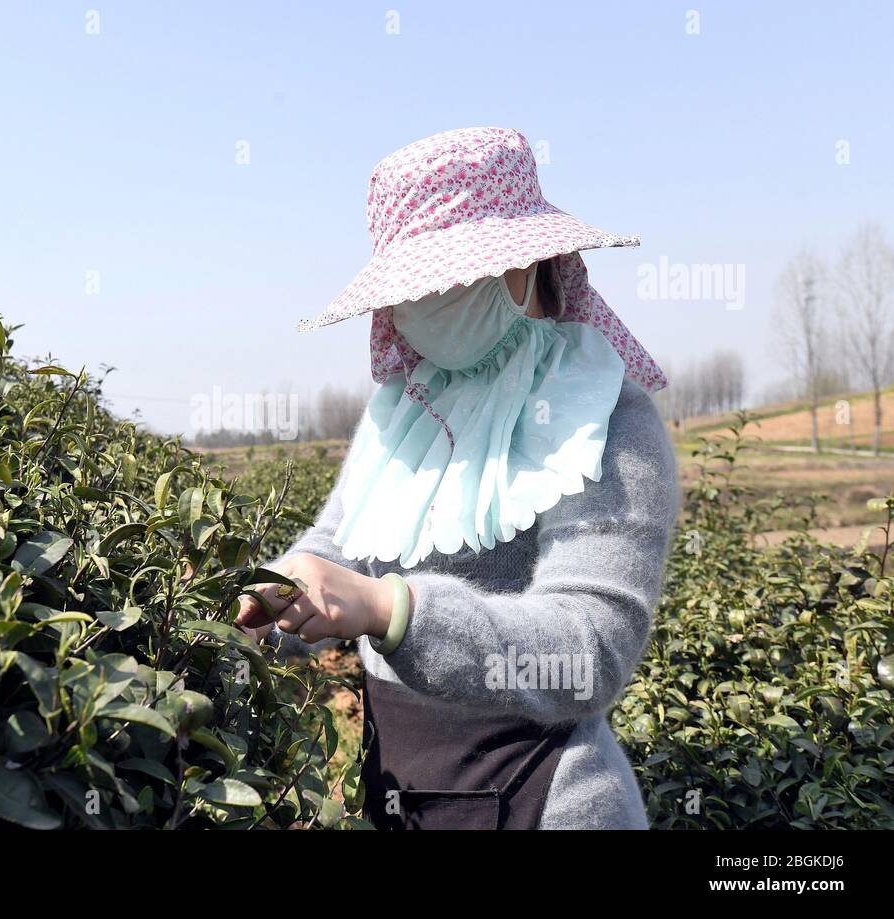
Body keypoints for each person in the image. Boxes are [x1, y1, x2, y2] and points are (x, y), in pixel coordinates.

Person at [235, 127, 680, 829]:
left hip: (547, 799)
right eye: (408, 287)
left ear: (525, 265)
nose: (422, 302)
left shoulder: (605, 416)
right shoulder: (405, 410)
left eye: (442, 279)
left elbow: (591, 647)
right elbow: (335, 544)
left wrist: (394, 610)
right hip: (402, 791)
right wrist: (282, 592)